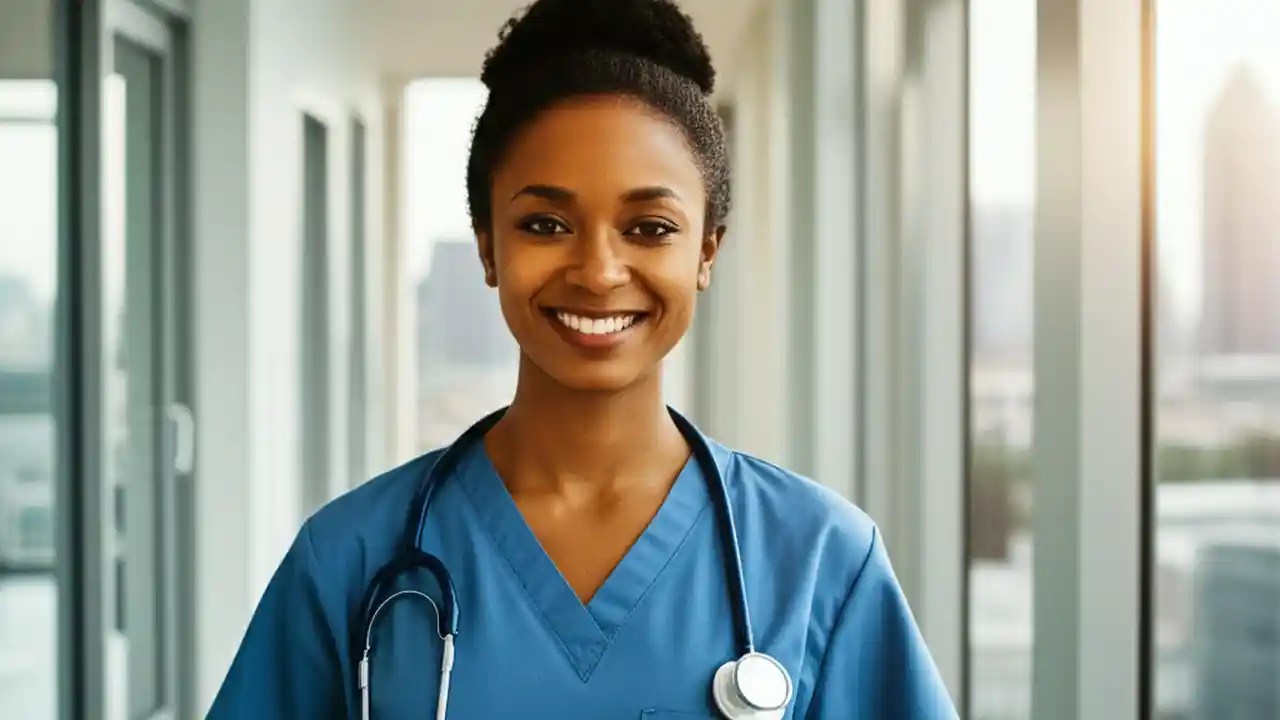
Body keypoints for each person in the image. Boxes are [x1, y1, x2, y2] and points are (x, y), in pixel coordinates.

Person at [209, 0, 957, 717]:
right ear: (487, 247)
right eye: (545, 223)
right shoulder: (351, 559)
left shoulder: (820, 561)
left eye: (650, 227)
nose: (598, 272)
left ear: (707, 251)